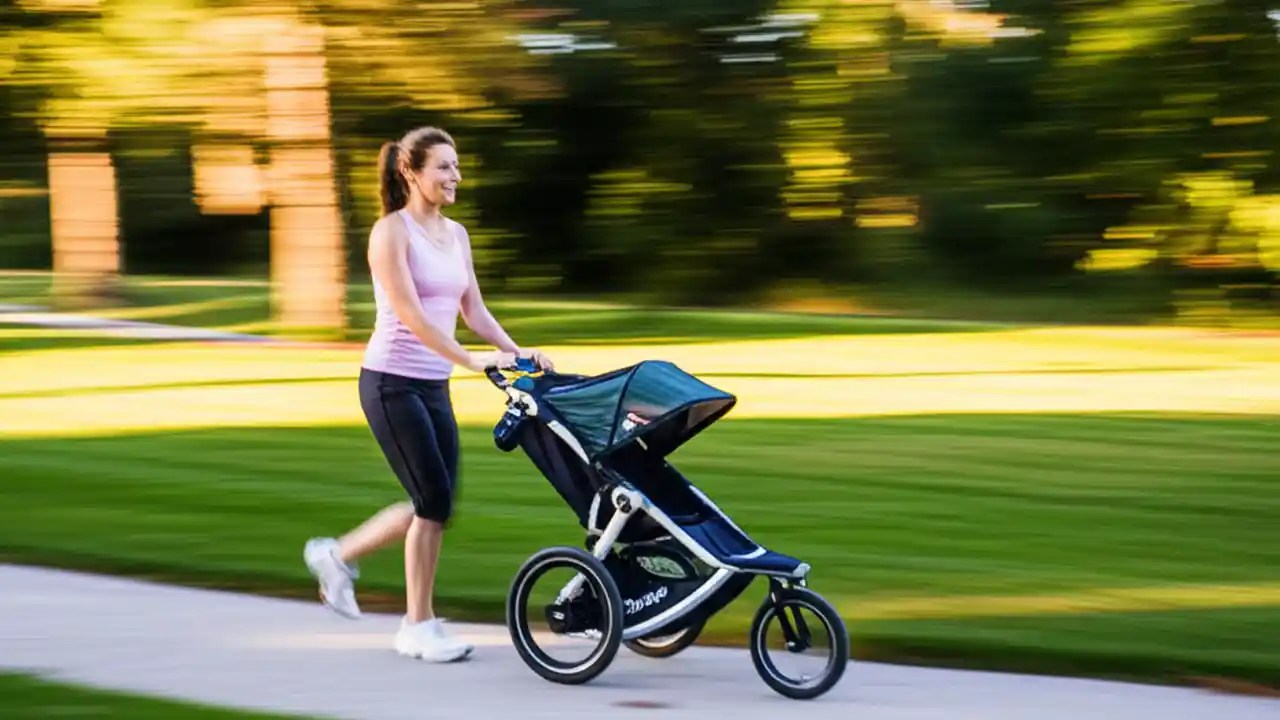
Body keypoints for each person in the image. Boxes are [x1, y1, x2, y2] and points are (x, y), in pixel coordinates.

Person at [303, 126, 553, 663]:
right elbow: (412, 316)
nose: (455, 175)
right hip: (390, 383)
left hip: (434, 385)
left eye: (456, 165)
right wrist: (472, 360)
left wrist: (517, 352)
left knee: (436, 506)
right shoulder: (390, 234)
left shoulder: (456, 234)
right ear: (410, 172)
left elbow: (473, 309)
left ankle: (338, 555)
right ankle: (417, 626)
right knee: (432, 500)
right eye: (443, 166)